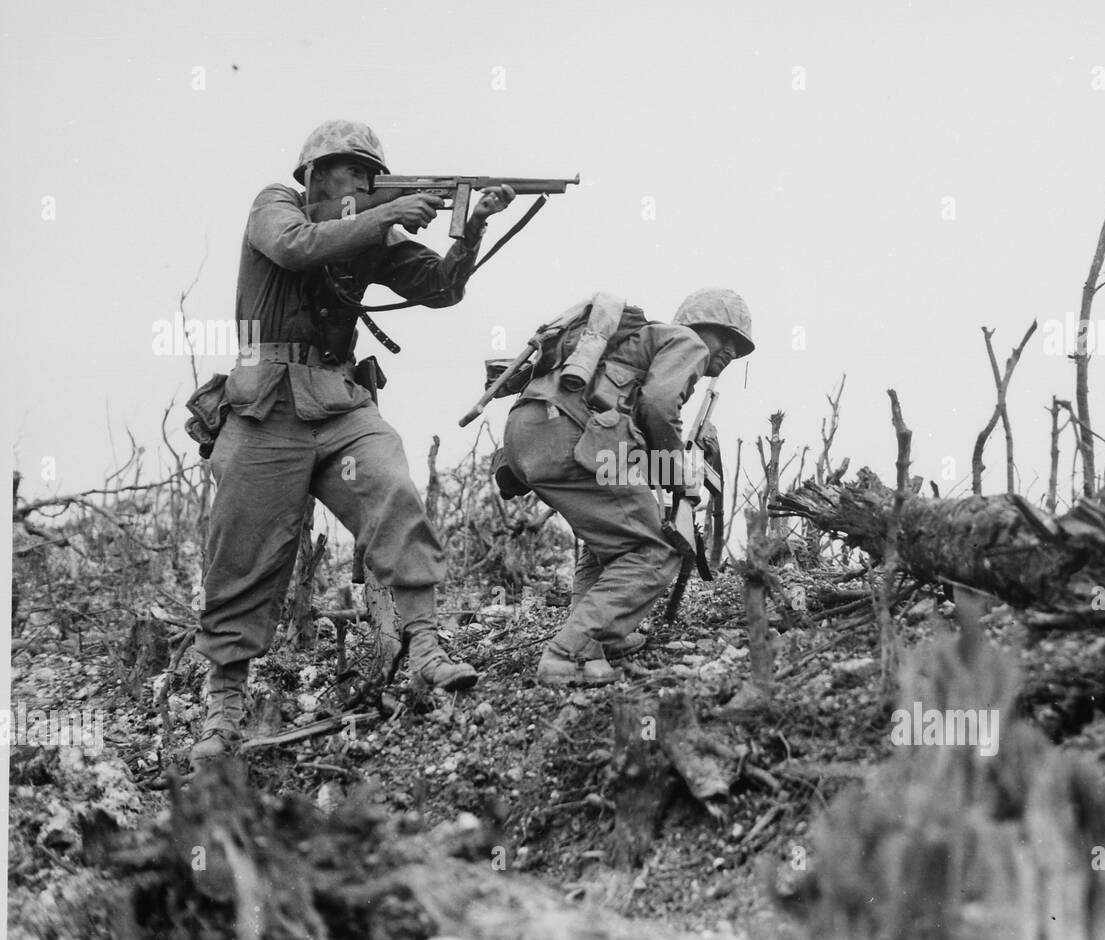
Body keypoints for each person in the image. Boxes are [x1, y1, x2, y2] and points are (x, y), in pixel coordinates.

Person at [189, 120, 515, 765]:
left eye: (373, 172)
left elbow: (440, 288)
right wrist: (389, 212)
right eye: (351, 170)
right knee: (243, 552)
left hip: (339, 403)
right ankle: (223, 707)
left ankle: (423, 642)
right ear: (313, 174)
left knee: (392, 488)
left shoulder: (373, 232)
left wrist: (472, 223)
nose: (365, 181)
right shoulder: (275, 204)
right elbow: (294, 246)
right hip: (265, 409)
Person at [501, 288, 754, 686]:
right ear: (701, 327)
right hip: (568, 433)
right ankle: (568, 651)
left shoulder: (640, 347)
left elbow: (634, 422)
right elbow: (658, 405)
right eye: (728, 339)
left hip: (528, 432)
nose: (730, 354)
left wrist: (657, 468)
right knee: (655, 548)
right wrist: (676, 475)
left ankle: (596, 644)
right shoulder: (685, 342)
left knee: (612, 540)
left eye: (739, 349)